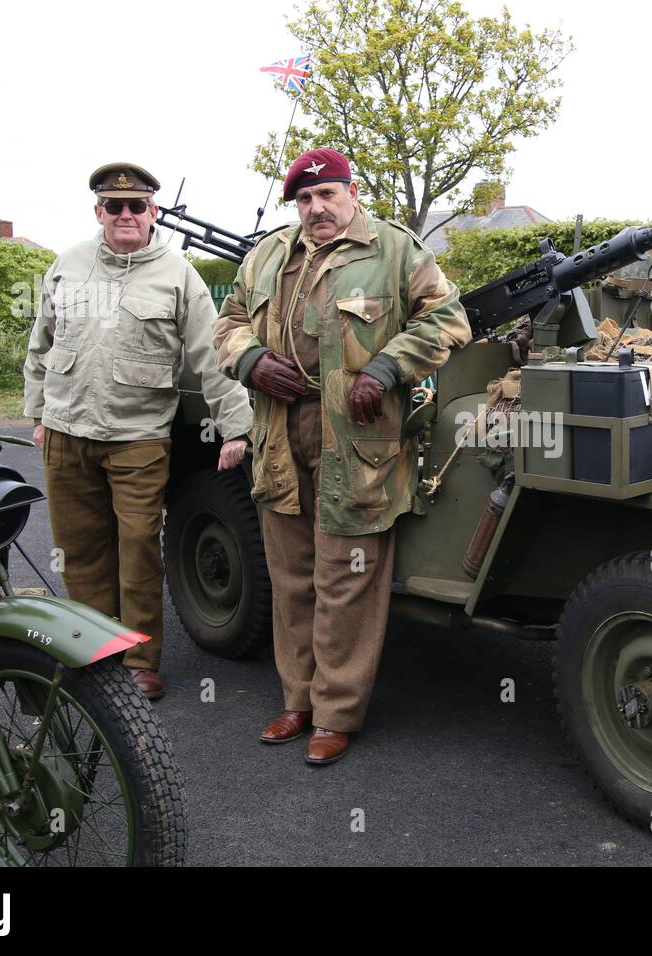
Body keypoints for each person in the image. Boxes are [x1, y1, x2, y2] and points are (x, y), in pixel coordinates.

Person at [213, 148, 472, 765]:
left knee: (345, 578)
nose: (315, 208)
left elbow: (450, 318)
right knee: (291, 575)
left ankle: (335, 713)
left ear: (350, 193)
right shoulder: (268, 255)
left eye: (326, 195)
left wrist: (385, 368)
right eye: (304, 199)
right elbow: (227, 324)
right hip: (280, 435)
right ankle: (296, 701)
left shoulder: (395, 250)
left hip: (357, 440)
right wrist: (250, 361)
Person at [23, 163, 254, 699]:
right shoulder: (66, 266)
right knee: (80, 551)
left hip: (139, 436)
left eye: (136, 206)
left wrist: (236, 427)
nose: (125, 215)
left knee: (138, 550)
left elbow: (208, 356)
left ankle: (139, 660)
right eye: (113, 206)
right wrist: (37, 415)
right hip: (66, 431)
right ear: (97, 212)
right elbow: (40, 345)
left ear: (153, 212)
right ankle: (91, 652)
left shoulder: (178, 274)